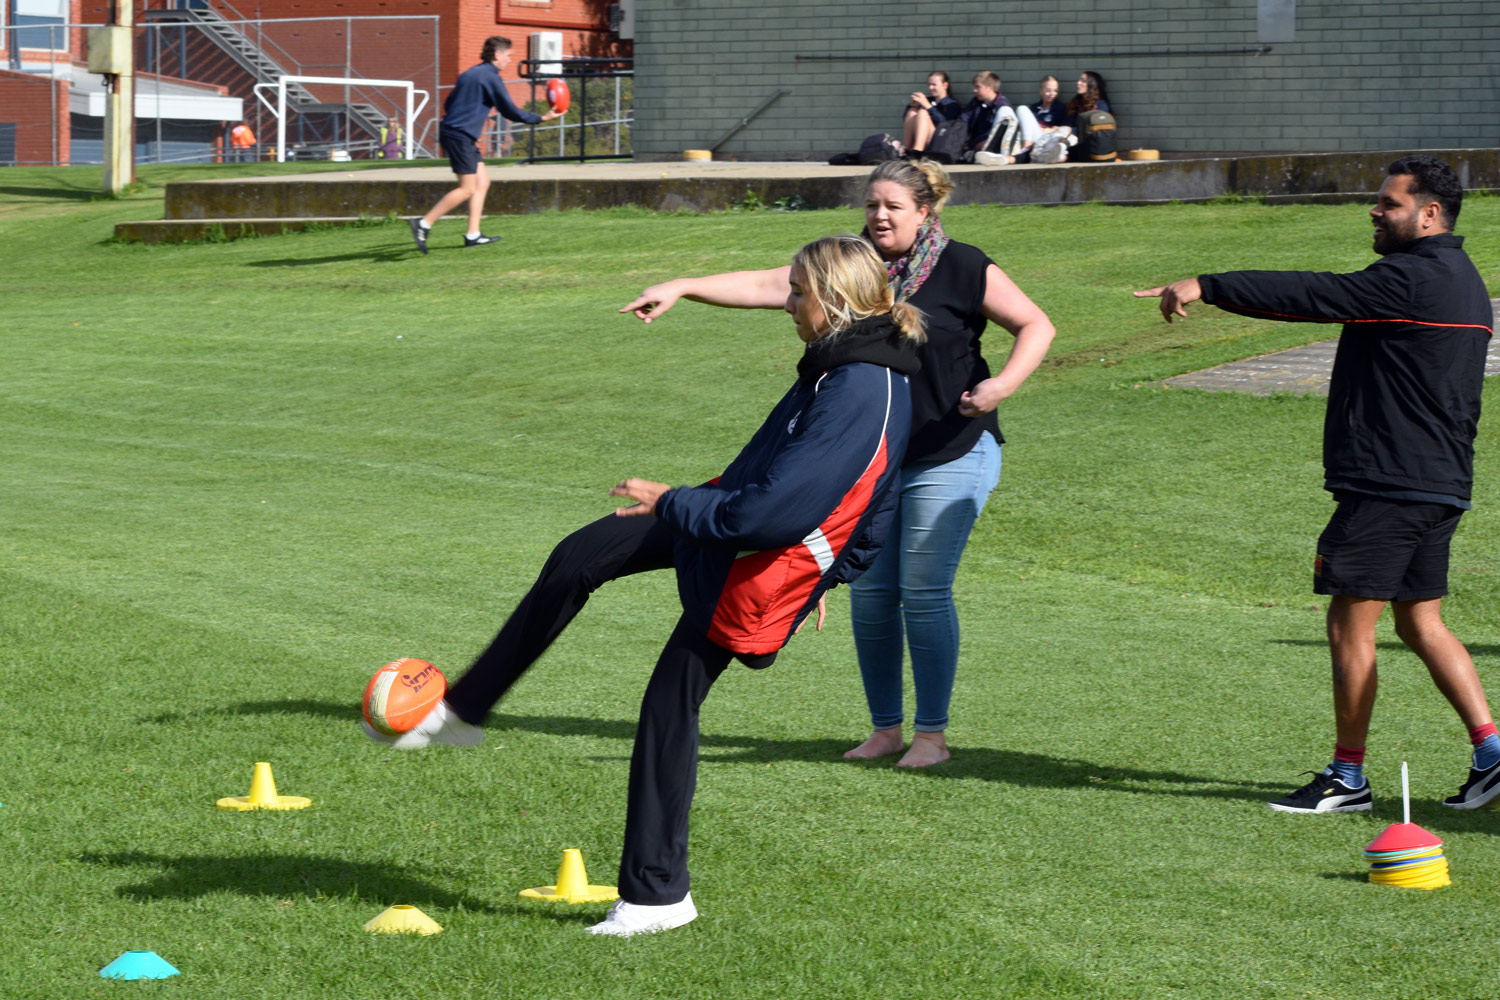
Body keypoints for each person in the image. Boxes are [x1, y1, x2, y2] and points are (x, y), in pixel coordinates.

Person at [368, 236, 923, 936]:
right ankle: (462, 711)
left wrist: (686, 509)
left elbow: (773, 514)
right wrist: (829, 570)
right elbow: (876, 495)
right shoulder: (846, 366)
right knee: (585, 551)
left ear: (833, 300)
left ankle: (658, 897)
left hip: (757, 558)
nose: (787, 304)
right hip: (730, 525)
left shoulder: (861, 384)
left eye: (796, 293)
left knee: (669, 704)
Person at [620, 160, 1057, 767]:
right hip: (875, 463)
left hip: (950, 450)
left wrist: (1002, 386)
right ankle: (886, 729)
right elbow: (765, 285)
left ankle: (931, 734)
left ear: (926, 210)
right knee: (874, 594)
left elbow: (1037, 323)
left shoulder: (963, 265)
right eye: (872, 204)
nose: (878, 215)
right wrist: (685, 286)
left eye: (893, 207)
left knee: (924, 590)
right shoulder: (856, 269)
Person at [1134, 154, 1500, 814]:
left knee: (1347, 626)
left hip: (1390, 484)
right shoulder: (1464, 280)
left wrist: (1207, 284)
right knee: (1421, 622)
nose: (1375, 210)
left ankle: (1347, 778)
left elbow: (1312, 294)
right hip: (1440, 483)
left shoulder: (1413, 278)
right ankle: (1493, 758)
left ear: (1430, 214)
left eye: (1389, 203)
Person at [408, 36, 563, 254]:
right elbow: (509, 110)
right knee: (467, 188)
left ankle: (473, 235)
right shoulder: (490, 77)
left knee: (483, 182)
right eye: (508, 55)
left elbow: (448, 103)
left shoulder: (469, 73)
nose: (510, 60)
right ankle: (423, 224)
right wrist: (541, 118)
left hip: (456, 133)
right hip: (460, 136)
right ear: (497, 54)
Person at [901, 71, 962, 154]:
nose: (930, 87)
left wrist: (928, 107)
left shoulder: (952, 104)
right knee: (912, 111)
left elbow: (946, 125)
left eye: (934, 84)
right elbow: (906, 120)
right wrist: (913, 106)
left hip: (941, 141)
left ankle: (918, 151)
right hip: (924, 139)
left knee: (922, 112)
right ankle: (906, 151)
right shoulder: (929, 100)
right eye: (929, 84)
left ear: (945, 85)